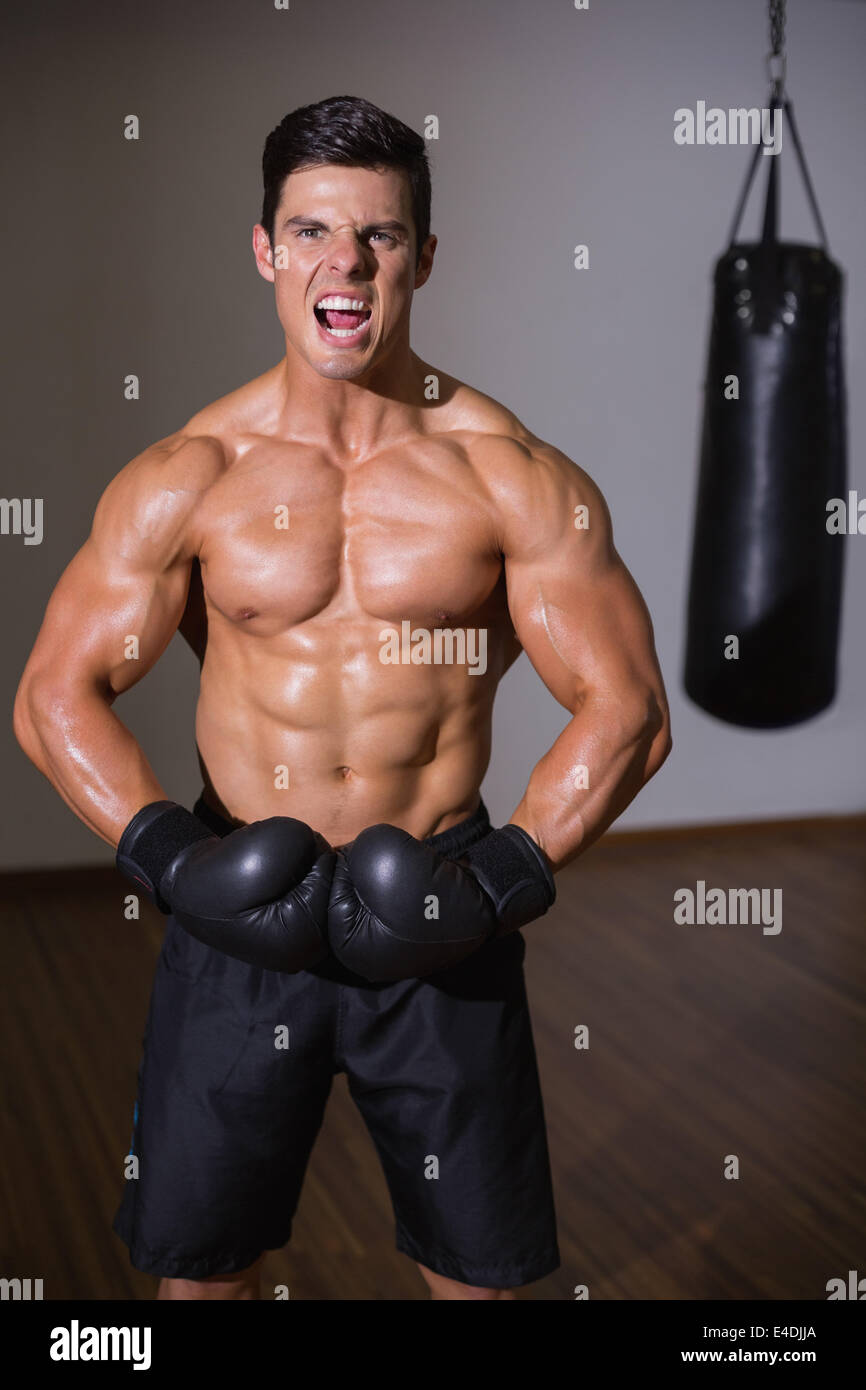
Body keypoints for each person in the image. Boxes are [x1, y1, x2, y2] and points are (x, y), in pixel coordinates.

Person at [13, 94, 671, 1301]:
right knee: (198, 1277)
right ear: (264, 250)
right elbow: (57, 693)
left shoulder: (509, 477)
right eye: (311, 230)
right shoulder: (189, 474)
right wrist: (170, 859)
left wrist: (503, 878)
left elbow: (628, 707)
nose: (345, 263)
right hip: (232, 920)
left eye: (377, 234)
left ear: (423, 256)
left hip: (440, 909)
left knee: (481, 1281)